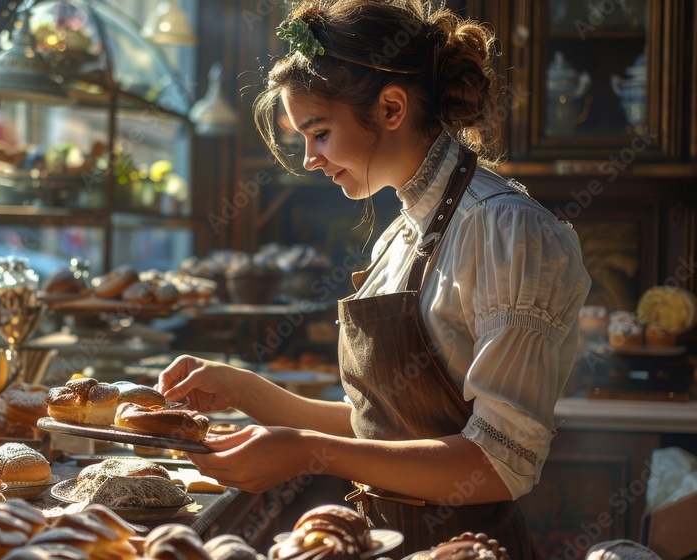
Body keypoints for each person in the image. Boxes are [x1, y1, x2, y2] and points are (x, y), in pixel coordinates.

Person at [158, 1, 590, 557]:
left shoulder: (504, 230)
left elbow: (497, 462)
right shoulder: (402, 234)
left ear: (390, 108)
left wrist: (304, 451)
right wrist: (243, 389)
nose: (309, 159)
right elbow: (380, 428)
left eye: (318, 132)